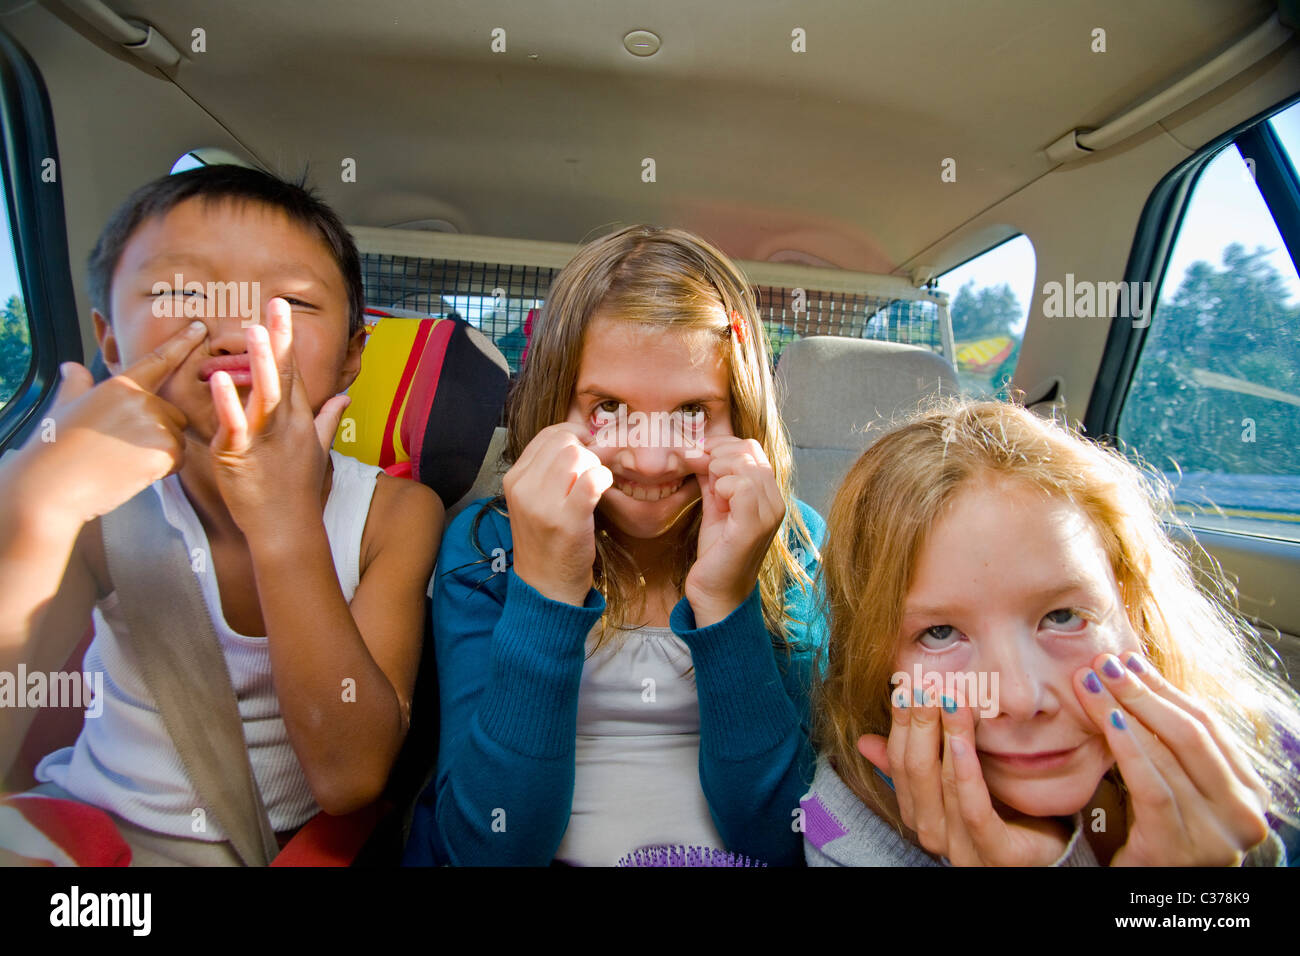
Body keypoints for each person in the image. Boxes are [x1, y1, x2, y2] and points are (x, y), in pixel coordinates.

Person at [0, 165, 442, 865]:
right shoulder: (94, 510)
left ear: (355, 353)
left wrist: (284, 522)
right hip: (88, 834)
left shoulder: (394, 515)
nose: (237, 325)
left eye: (291, 300)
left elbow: (350, 779)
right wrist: (37, 509)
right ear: (110, 340)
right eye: (179, 290)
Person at [404, 225, 823, 867]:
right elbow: (487, 850)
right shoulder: (487, 546)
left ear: (740, 416)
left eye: (691, 412)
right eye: (609, 408)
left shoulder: (794, 544)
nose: (651, 461)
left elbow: (787, 835)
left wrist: (726, 600)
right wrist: (545, 590)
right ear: (554, 406)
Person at [803, 399, 1298, 866]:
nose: (1019, 698)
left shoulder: (1260, 745)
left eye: (1062, 617)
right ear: (875, 662)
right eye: (940, 632)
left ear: (1134, 611)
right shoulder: (837, 828)